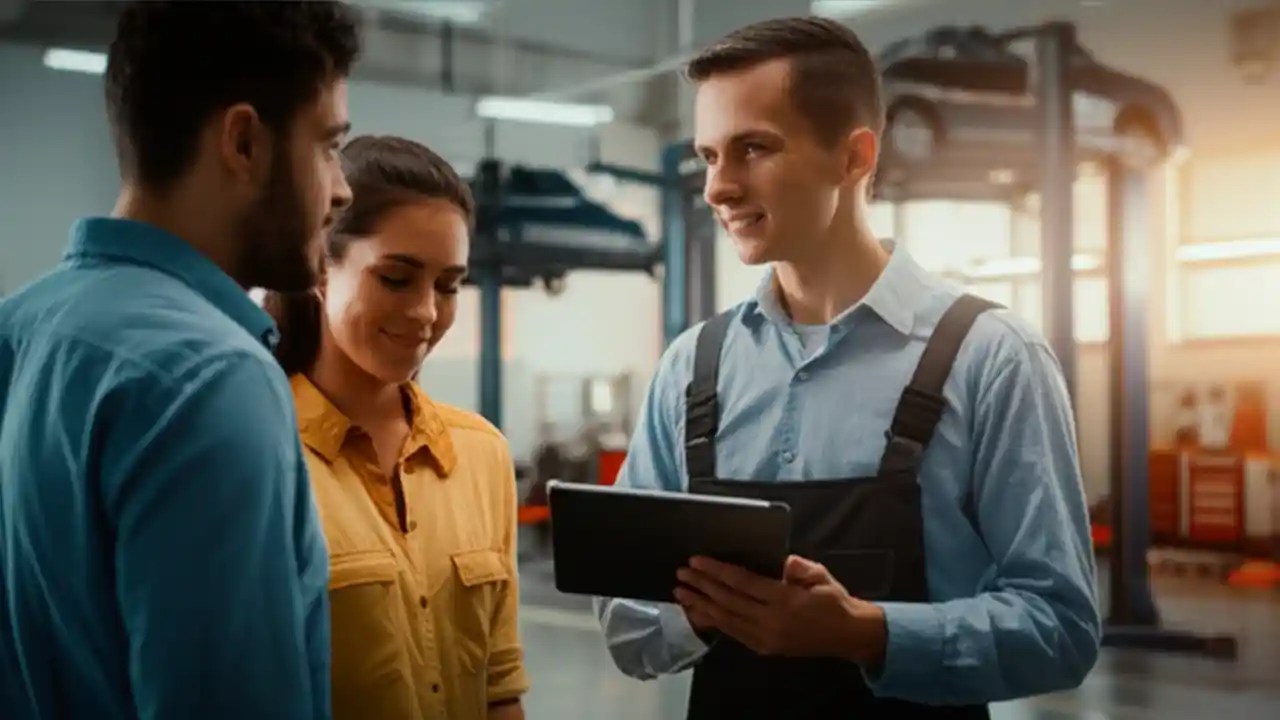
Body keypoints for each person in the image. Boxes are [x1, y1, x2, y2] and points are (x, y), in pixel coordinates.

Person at [595, 16, 1101, 718]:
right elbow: (626, 623)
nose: (717, 187)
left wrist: (867, 633)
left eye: (752, 149)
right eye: (709, 155)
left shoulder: (992, 358)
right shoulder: (691, 369)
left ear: (854, 158)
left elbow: (1062, 630)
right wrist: (705, 613)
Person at [0, 3, 358, 718]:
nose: (342, 188)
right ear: (244, 142)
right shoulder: (210, 378)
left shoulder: (22, 326)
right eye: (327, 146)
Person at [261, 135, 530, 720]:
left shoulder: (481, 454)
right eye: (396, 278)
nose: (428, 312)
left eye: (448, 285)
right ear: (320, 267)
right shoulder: (259, 454)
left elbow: (499, 687)